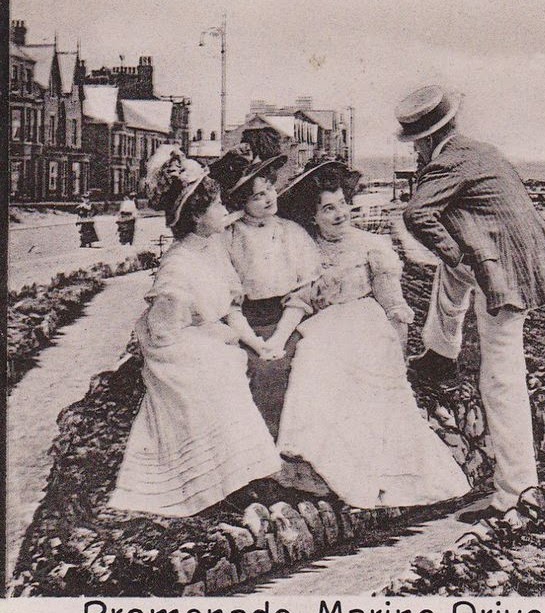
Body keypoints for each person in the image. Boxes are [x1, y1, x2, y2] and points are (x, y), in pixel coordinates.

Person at [395, 85, 545, 522]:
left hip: (504, 278)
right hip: (522, 261)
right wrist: (456, 258)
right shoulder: (480, 151)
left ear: (424, 139)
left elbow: (416, 215)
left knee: (501, 382)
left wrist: (458, 255)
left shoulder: (447, 161)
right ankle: (441, 352)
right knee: (449, 275)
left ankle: (515, 493)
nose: (415, 155)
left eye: (415, 147)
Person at [274, 160, 470, 508]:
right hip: (323, 329)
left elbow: (393, 305)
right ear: (313, 216)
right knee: (314, 360)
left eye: (343, 204)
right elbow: (301, 299)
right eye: (328, 208)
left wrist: (398, 348)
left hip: (366, 325)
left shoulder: (371, 246)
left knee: (369, 384)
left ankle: (381, 476)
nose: (339, 214)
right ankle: (323, 470)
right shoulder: (305, 250)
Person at [109, 159, 281, 517]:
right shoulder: (178, 265)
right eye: (217, 205)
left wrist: (253, 341)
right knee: (217, 375)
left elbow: (232, 307)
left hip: (207, 342)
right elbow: (162, 333)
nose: (225, 210)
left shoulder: (212, 247)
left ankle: (246, 477)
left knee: (232, 367)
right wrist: (213, 339)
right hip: (175, 353)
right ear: (198, 217)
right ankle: (221, 485)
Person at [219, 143, 321, 438]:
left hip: (288, 321)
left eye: (269, 190)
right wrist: (255, 342)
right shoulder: (229, 237)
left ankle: (289, 452)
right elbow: (230, 303)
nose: (267, 199)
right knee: (246, 369)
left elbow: (301, 295)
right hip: (245, 325)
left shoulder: (291, 232)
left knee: (295, 366)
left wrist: (277, 339)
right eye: (256, 196)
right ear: (242, 203)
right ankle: (254, 456)